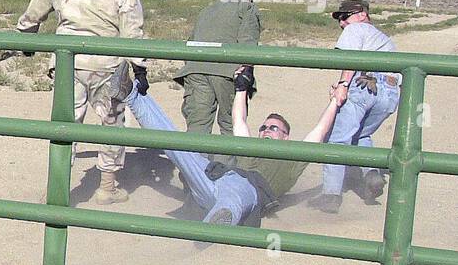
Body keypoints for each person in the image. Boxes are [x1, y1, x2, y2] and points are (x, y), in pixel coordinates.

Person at [118, 66, 340, 226]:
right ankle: (132, 94)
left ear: (286, 137)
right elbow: (239, 121)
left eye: (273, 128)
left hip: (249, 189)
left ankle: (214, 228)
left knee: (234, 198)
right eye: (263, 127)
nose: (265, 131)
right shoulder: (250, 147)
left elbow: (319, 132)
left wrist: (335, 102)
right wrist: (241, 88)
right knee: (176, 147)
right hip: (215, 177)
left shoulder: (292, 159)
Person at [16, 0, 147, 204]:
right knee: (111, 125)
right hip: (107, 67)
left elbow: (34, 11)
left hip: (68, 65)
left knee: (66, 125)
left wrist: (27, 38)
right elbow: (133, 31)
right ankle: (107, 188)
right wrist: (139, 66)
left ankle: (57, 190)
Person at [311, 0, 399, 212]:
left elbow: (351, 59)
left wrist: (343, 85)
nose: (341, 23)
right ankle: (371, 174)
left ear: (361, 14)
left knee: (337, 140)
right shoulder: (385, 40)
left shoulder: (356, 29)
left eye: (344, 16)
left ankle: (331, 195)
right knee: (360, 134)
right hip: (390, 91)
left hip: (363, 83)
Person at [177, 0, 262, 136]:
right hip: (228, 72)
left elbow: (191, 40)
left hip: (196, 69)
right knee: (232, 124)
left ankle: (195, 159)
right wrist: (246, 71)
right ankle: (227, 160)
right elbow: (248, 40)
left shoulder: (207, 10)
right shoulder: (247, 8)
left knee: (197, 125)